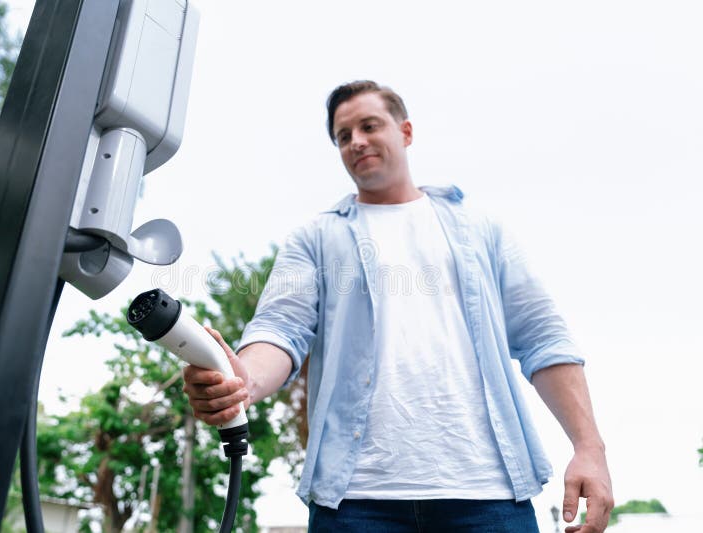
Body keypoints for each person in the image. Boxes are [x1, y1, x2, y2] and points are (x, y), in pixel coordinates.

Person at [182, 80, 613, 532]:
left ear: (405, 132)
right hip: (355, 504)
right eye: (343, 136)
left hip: (489, 495)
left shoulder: (480, 230)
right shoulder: (315, 239)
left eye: (369, 126)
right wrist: (243, 380)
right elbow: (280, 328)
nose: (356, 141)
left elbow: (542, 337)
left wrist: (589, 448)